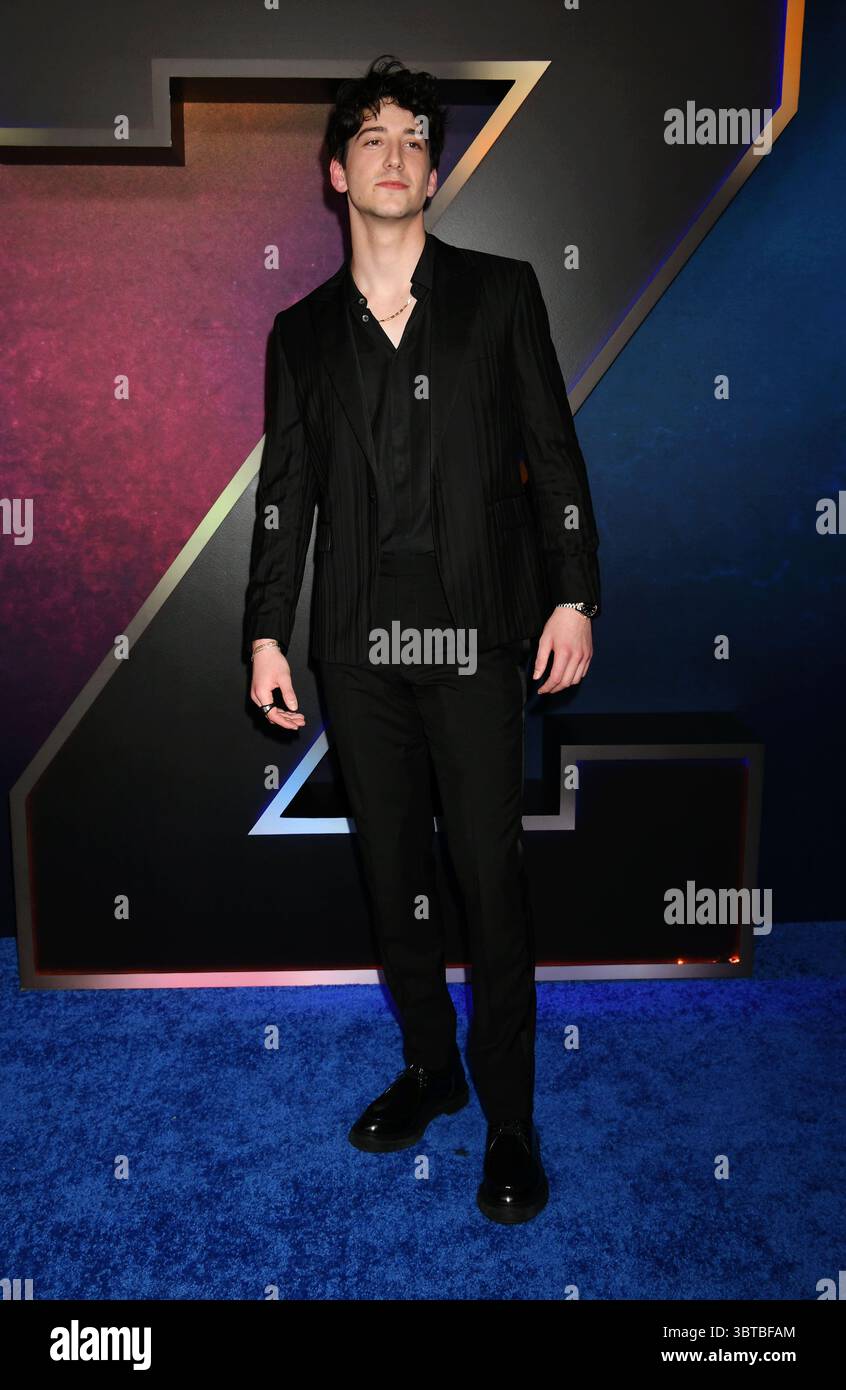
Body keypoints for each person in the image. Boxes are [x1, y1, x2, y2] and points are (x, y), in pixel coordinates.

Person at [244, 54, 601, 1224]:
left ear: (433, 173)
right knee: (392, 874)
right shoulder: (300, 334)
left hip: (479, 642)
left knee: (489, 880)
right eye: (372, 137)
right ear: (336, 172)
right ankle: (431, 1066)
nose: (394, 154)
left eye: (413, 137)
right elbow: (285, 500)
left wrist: (574, 595)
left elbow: (554, 455)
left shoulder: (499, 296)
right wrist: (266, 633)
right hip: (358, 651)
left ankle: (510, 1118)